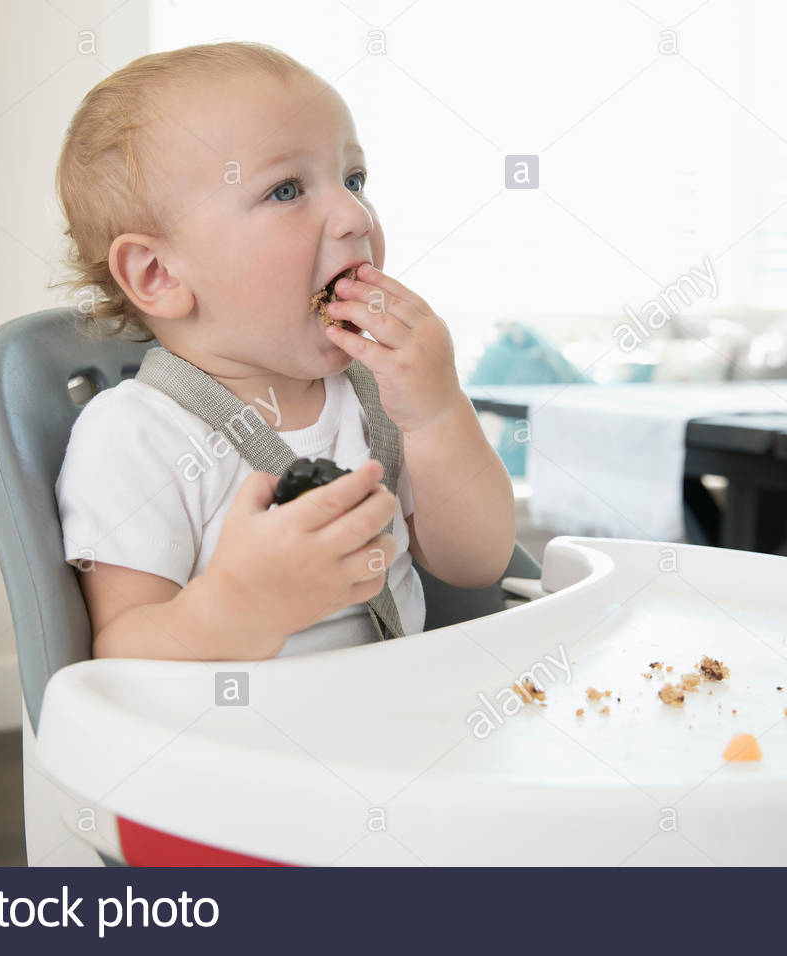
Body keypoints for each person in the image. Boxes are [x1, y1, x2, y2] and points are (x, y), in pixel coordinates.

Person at [53, 41, 514, 661]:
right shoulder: (134, 436)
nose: (354, 214)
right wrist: (237, 606)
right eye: (285, 190)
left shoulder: (376, 394)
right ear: (159, 273)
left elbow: (477, 564)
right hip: (239, 749)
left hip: (398, 734)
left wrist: (437, 411)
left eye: (353, 180)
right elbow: (121, 654)